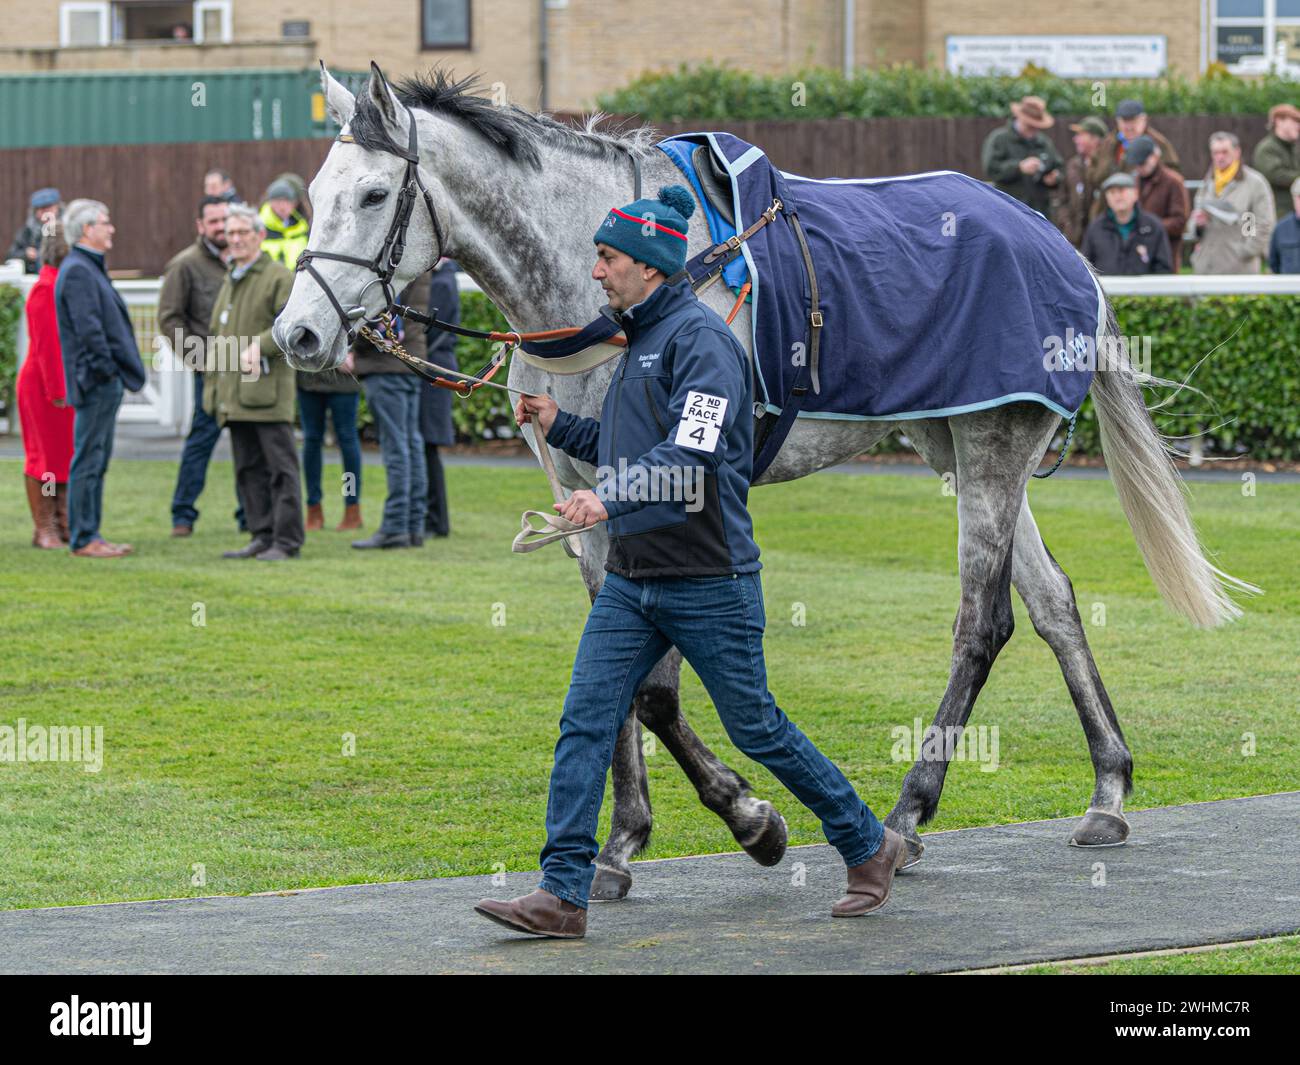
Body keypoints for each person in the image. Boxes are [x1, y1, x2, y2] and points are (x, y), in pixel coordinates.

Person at [474, 186, 906, 939]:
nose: (598, 272)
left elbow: (692, 460)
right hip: (632, 584)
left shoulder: (703, 343)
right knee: (585, 721)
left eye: (607, 259)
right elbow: (626, 444)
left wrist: (606, 503)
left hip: (710, 583)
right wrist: (558, 422)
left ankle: (869, 845)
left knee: (758, 729)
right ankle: (563, 893)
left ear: (647, 265)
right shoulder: (639, 338)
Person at [202, 204, 302, 561]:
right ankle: (261, 534)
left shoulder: (278, 277)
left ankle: (287, 540)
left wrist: (257, 346)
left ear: (260, 235)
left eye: (244, 232)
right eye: (231, 234)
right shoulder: (232, 278)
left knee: (281, 470)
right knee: (247, 470)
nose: (237, 239)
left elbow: (291, 327)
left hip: (268, 395)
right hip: (235, 395)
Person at [54, 199, 147, 558]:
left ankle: (91, 533)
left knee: (97, 458)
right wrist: (107, 372)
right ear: (87, 229)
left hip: (100, 381)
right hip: (95, 382)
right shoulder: (78, 270)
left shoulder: (87, 267)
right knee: (89, 459)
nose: (111, 229)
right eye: (105, 222)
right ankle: (84, 538)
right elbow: (89, 331)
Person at [159, 195, 237, 537]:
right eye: (215, 221)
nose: (221, 227)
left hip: (246, 367)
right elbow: (170, 319)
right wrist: (200, 361)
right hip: (211, 370)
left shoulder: (244, 259)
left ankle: (250, 516)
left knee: (251, 445)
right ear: (201, 225)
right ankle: (183, 515)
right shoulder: (185, 265)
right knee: (201, 442)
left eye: (226, 220)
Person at [347, 272, 431, 551]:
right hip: (410, 361)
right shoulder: (419, 263)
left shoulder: (394, 264)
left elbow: (381, 319)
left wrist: (353, 345)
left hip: (385, 365)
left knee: (398, 448)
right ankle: (413, 525)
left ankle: (396, 526)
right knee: (411, 444)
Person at [17, 221, 75, 548]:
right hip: (44, 389)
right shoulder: (45, 290)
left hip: (61, 386)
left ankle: (63, 519)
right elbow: (47, 348)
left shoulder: (61, 284)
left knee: (62, 456)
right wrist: (58, 391)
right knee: (45, 461)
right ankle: (45, 525)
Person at [1190, 131, 1276, 275]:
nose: (1220, 157)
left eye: (1224, 152)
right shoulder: (1207, 182)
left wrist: (1244, 251)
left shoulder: (1254, 183)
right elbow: (1193, 223)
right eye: (1215, 153)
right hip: (1206, 268)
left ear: (1237, 152)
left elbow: (1263, 223)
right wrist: (1198, 224)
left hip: (1239, 269)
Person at [1087, 99, 1181, 218]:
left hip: (1145, 215)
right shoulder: (1108, 144)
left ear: (1144, 120)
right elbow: (1091, 175)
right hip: (1108, 214)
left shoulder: (1159, 144)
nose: (1129, 127)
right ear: (1117, 121)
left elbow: (1172, 177)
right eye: (1125, 122)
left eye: (1133, 121)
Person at [298, 361, 363, 532]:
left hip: (344, 380)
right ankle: (313, 507)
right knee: (311, 440)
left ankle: (352, 507)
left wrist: (354, 355)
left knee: (347, 441)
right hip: (309, 377)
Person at [421, 258, 460, 537]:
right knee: (425, 446)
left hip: (435, 368)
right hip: (434, 365)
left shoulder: (443, 283)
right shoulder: (441, 280)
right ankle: (434, 517)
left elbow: (436, 331)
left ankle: (437, 520)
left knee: (428, 445)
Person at [980, 95, 1062, 217]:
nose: (1033, 130)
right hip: (1008, 211)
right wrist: (1018, 167)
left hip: (1039, 212)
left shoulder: (1044, 142)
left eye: (1036, 126)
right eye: (1029, 125)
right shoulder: (1000, 139)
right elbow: (991, 169)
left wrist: (1055, 178)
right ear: (1019, 118)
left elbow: (1059, 166)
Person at [1081, 173, 1173, 275]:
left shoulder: (1153, 226)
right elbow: (1086, 267)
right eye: (1112, 192)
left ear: (1135, 194)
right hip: (1107, 290)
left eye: (1122, 191)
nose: (1117, 196)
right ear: (1106, 198)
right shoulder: (1096, 228)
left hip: (1144, 290)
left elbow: (1163, 268)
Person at [1125, 135, 1189, 270]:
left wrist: (1149, 228)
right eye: (1136, 164)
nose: (1138, 168)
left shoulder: (1173, 182)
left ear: (1155, 156)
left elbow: (1180, 222)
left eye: (1142, 163)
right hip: (1138, 257)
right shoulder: (1133, 182)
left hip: (1164, 255)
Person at [1055, 116, 1106, 247]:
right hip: (1075, 240)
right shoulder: (1073, 164)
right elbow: (1062, 199)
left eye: (1081, 135)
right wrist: (1066, 224)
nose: (1075, 139)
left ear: (1095, 139)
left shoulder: (1107, 167)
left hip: (1101, 240)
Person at [1251, 103, 1300, 224]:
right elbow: (1276, 175)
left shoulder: (1294, 148)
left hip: (1294, 212)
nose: (1298, 126)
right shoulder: (1267, 148)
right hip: (1276, 214)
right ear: (1279, 121)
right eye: (1295, 121)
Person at [7, 188, 62, 275]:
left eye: (48, 208)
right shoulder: (28, 231)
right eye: (41, 210)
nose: (45, 213)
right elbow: (11, 255)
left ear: (58, 207)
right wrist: (25, 254)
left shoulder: (68, 228)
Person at [259, 179, 309, 269]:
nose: (283, 206)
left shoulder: (302, 227)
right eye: (278, 201)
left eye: (287, 201)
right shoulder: (259, 227)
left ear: (294, 203)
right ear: (269, 202)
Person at [1268, 177, 1300, 273]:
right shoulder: (1281, 229)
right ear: (1293, 198)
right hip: (1289, 287)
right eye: (1299, 197)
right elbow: (1274, 264)